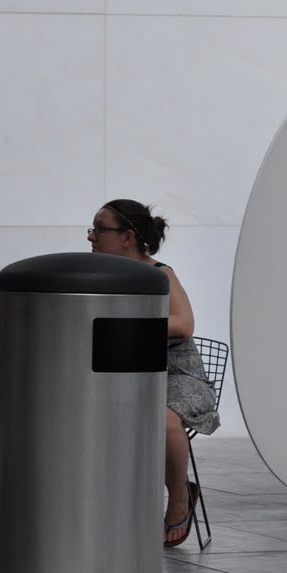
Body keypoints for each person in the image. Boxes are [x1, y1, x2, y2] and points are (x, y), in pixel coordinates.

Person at [87, 199, 220, 548]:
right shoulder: (99, 276)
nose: (91, 236)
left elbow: (184, 324)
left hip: (177, 375)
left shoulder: (160, 273)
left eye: (100, 228)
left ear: (128, 236)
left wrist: (122, 327)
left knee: (162, 417)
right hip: (127, 375)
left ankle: (178, 498)